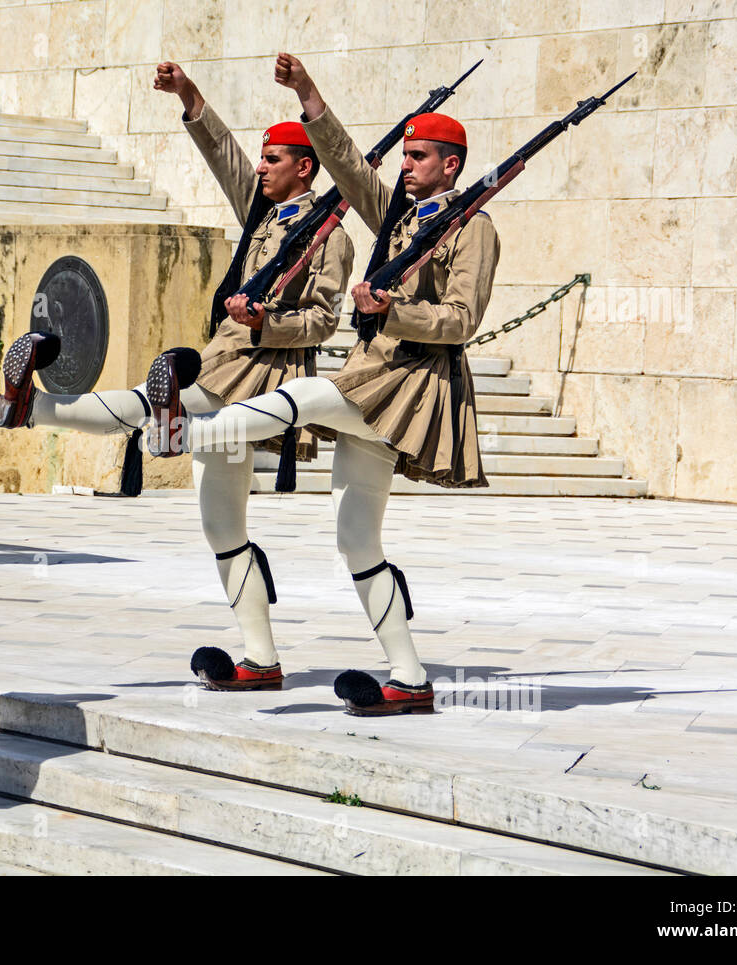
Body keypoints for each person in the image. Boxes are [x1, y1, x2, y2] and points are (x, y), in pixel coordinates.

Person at [145, 52, 500, 715]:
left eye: (420, 157)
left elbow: (461, 320)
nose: (407, 165)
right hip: (376, 375)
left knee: (308, 397)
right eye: (408, 156)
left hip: (413, 384)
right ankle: (409, 677)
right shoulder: (397, 214)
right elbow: (346, 164)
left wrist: (390, 309)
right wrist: (308, 92)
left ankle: (183, 427)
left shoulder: (474, 228)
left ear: (451, 164)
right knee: (356, 539)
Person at [0, 61, 353, 692]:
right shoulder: (262, 215)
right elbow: (223, 155)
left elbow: (323, 321)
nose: (261, 167)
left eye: (274, 159)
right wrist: (190, 98)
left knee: (142, 405)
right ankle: (261, 661)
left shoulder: (330, 237)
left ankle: (49, 411)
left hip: (265, 375)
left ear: (305, 166)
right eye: (262, 159)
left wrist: (269, 321)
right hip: (223, 355)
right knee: (221, 528)